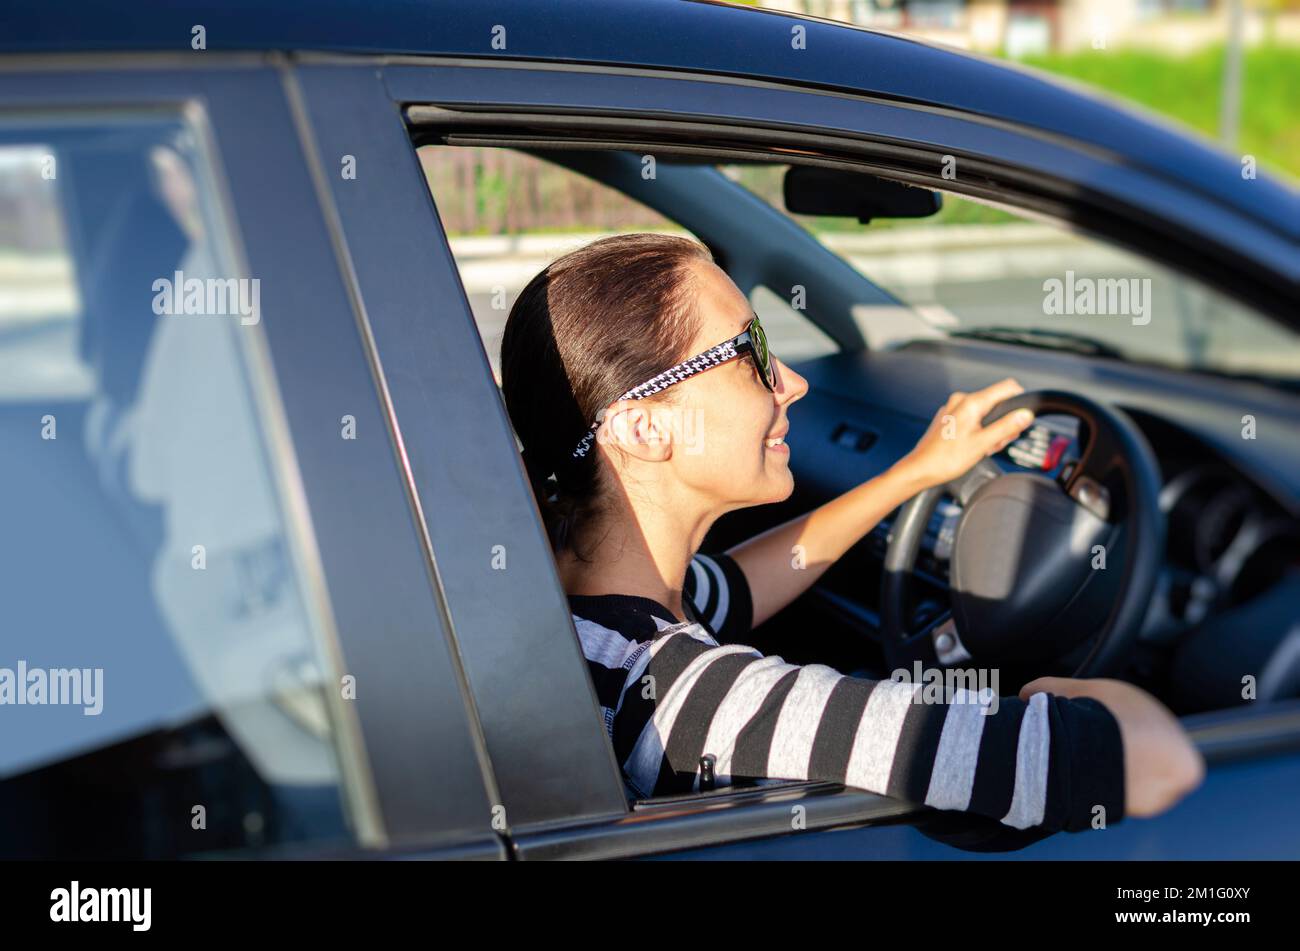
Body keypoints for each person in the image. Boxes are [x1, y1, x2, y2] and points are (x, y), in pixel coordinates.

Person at [501, 232, 1202, 832]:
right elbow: (1153, 762)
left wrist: (918, 472)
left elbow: (741, 585)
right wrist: (1058, 686)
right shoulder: (703, 705)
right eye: (750, 352)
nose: (792, 381)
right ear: (645, 427)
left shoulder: (593, 607)